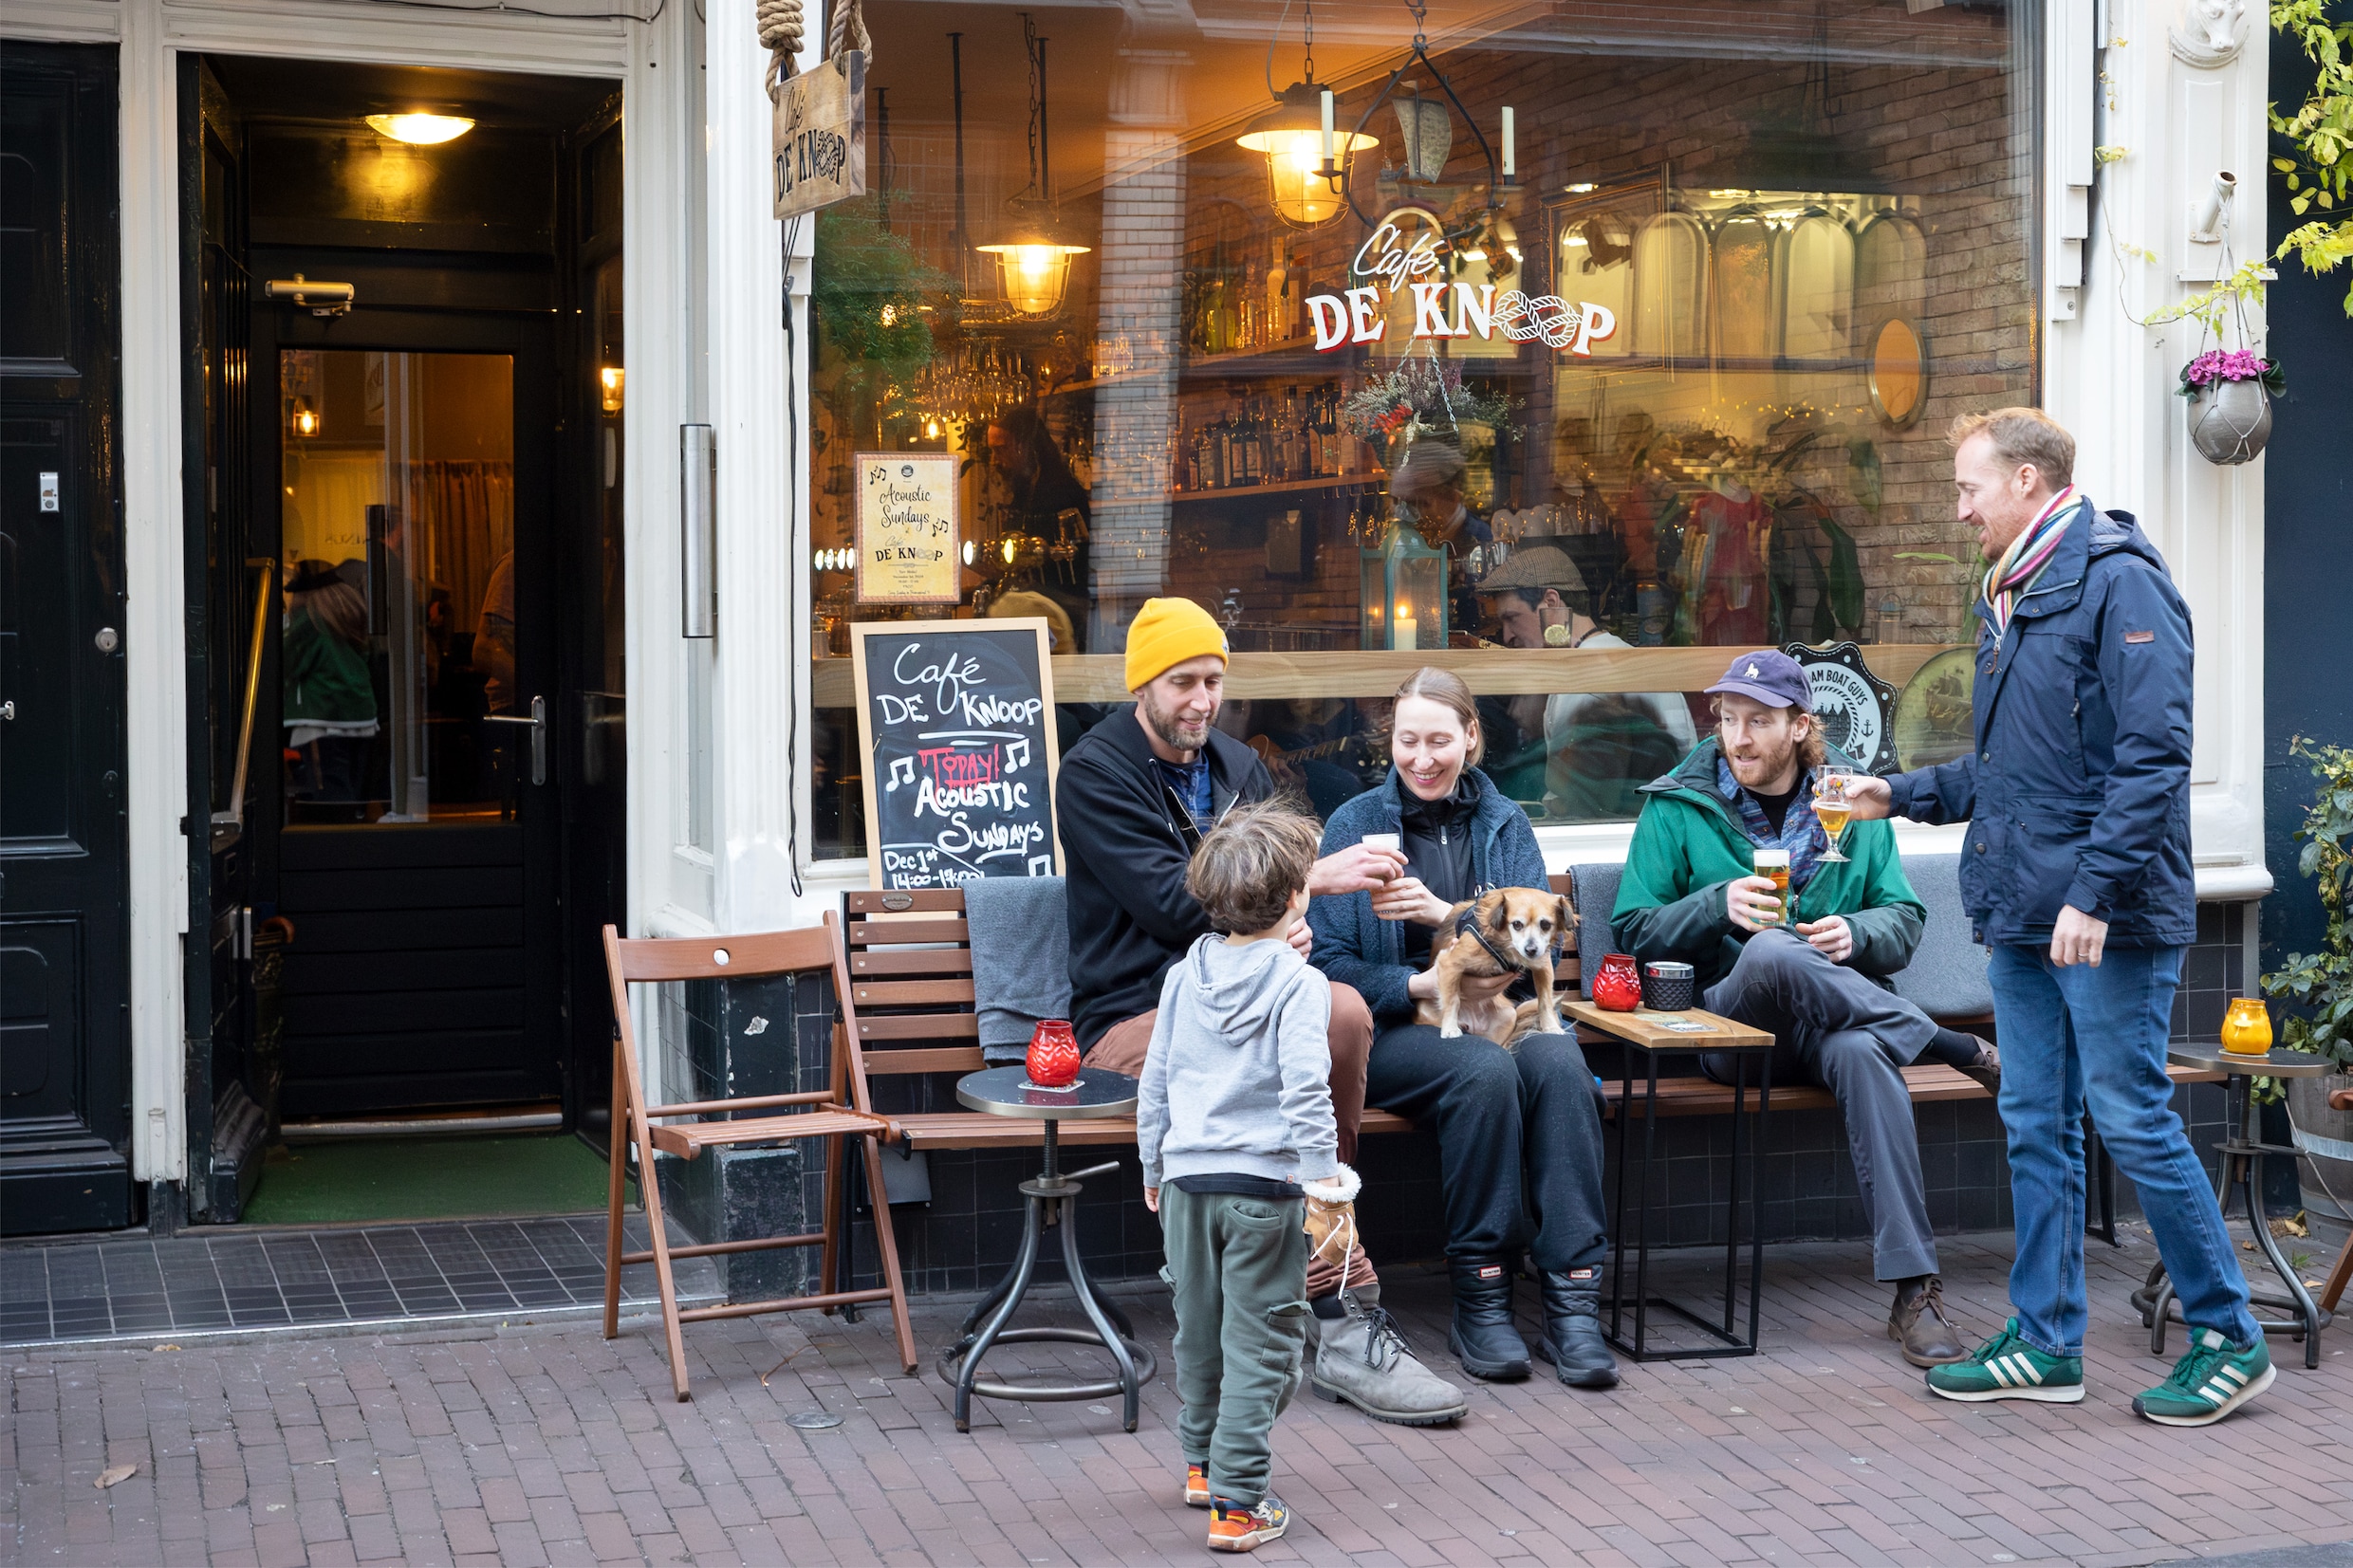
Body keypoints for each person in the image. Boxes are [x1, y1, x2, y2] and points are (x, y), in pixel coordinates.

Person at [1845, 407, 2270, 1424]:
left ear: (2027, 482)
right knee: (2034, 1124)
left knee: (2128, 1116)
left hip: (2103, 918)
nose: (1958, 510)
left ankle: (2228, 1334)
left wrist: (2092, 893)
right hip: (2022, 913)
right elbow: (2012, 772)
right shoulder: (2016, 590)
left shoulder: (2119, 579)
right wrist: (1895, 795)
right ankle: (2043, 1339)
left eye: (1967, 489)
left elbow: (2152, 758)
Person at [1057, 597, 1466, 1427]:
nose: (1203, 701)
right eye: (1183, 683)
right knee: (1286, 1045)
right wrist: (1311, 880)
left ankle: (1319, 1270)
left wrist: (1297, 931)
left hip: (1258, 995)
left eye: (1213, 680)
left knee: (1344, 1012)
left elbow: (1273, 914)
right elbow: (1179, 907)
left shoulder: (1239, 764)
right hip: (1143, 1010)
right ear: (1143, 684)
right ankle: (1333, 1311)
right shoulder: (1095, 771)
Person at [1611, 650, 1999, 1366]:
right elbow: (1631, 928)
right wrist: (1714, 906)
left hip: (1831, 1025)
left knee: (1862, 1051)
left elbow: (1904, 919)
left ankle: (1915, 1289)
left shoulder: (1847, 798)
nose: (1739, 737)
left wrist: (1858, 932)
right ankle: (1951, 1046)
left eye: (1758, 721)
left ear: (1799, 726)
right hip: (1730, 1026)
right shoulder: (1677, 801)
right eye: (1728, 719)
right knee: (1768, 951)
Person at [1309, 666, 1620, 1393]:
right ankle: (1482, 1294)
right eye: (1407, 740)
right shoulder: (1354, 824)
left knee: (1561, 1066)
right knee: (1484, 1073)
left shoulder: (1504, 822)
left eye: (1439, 740)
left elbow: (1538, 943)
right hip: (1396, 1031)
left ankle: (1574, 1295)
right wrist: (1414, 980)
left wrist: (1440, 914)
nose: (1422, 758)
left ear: (1470, 737)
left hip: (1500, 1010)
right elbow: (1325, 962)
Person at [1138, 800, 1355, 1553]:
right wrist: (1327, 1189)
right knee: (1264, 1342)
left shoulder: (1181, 976)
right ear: (1297, 895)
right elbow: (1306, 1092)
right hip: (1265, 1190)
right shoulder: (1300, 983)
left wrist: (1151, 1162)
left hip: (1187, 1184)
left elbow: (1155, 1080)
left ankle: (1200, 1465)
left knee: (1197, 1329)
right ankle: (1238, 1501)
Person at [1473, 543, 1695, 821]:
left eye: (1512, 618)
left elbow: (1573, 802)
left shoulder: (1580, 683)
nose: (1507, 636)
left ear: (1551, 604)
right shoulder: (1635, 662)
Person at [282, 561, 380, 804]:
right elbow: (369, 657)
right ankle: (355, 832)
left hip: (322, 716)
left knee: (329, 784)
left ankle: (338, 837)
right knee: (353, 782)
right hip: (361, 714)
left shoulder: (310, 621)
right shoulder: (349, 614)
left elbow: (289, 663)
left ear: (305, 593)